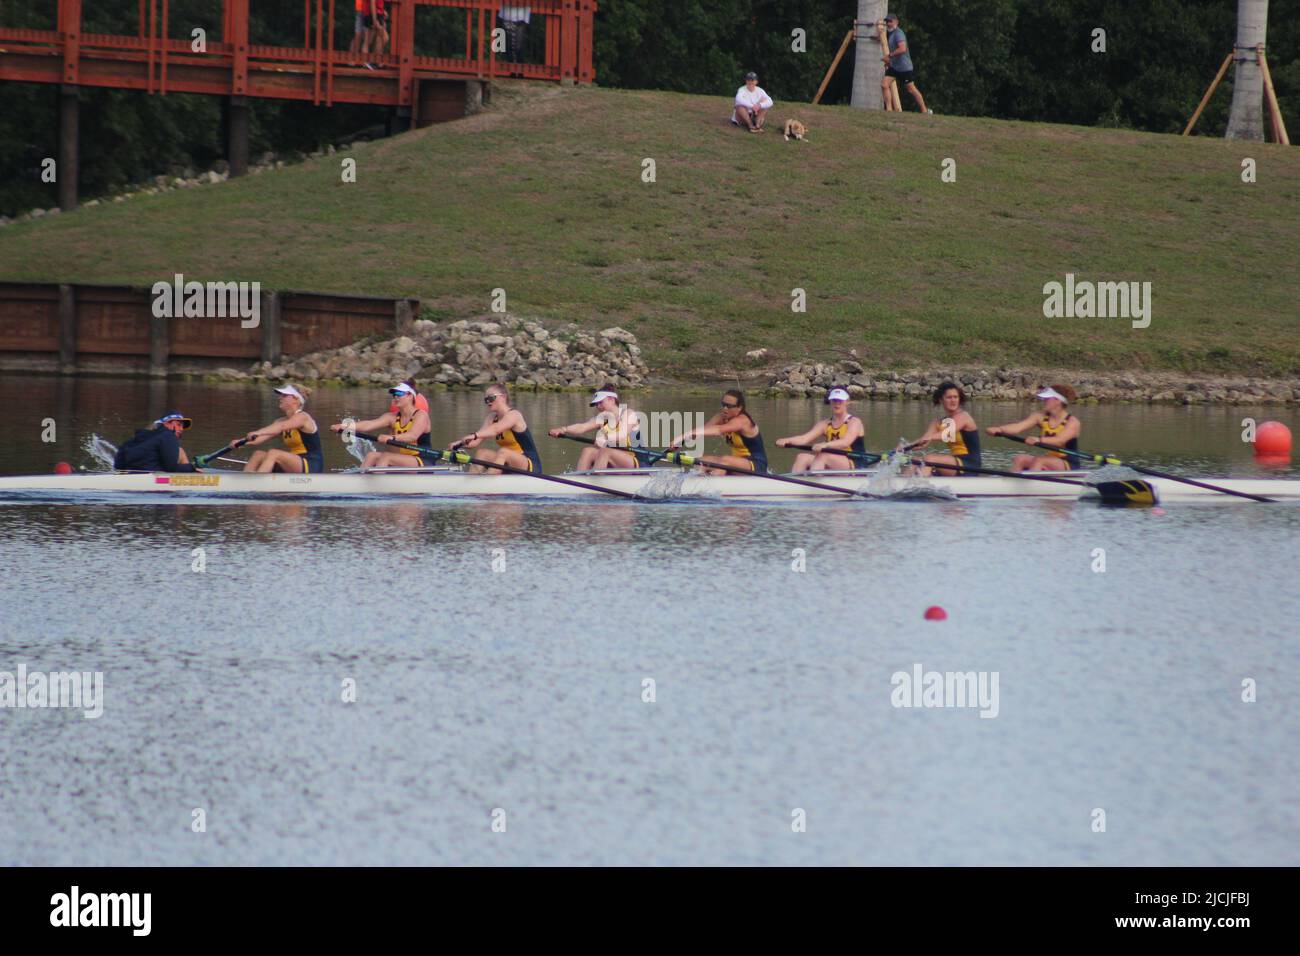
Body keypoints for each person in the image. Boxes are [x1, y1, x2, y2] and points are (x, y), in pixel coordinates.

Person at [330, 381, 435, 469]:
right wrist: (343, 426)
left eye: (399, 394)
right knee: (371, 456)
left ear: (410, 396)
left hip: (423, 459)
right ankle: (360, 481)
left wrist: (391, 437)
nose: (395, 398)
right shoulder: (391, 417)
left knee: (386, 457)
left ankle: (379, 487)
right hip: (404, 458)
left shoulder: (421, 415)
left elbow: (412, 436)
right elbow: (368, 425)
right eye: (394, 395)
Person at [669, 389, 768, 475]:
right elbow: (702, 431)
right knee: (702, 460)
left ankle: (712, 483)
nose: (724, 409)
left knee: (724, 461)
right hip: (736, 463)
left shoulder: (742, 421)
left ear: (740, 408)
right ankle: (696, 482)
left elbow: (719, 430)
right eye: (723, 404)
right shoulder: (721, 416)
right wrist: (679, 442)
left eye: (729, 406)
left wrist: (684, 435)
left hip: (756, 465)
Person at [452, 383, 543, 474]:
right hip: (508, 461)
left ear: (503, 397)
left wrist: (474, 435)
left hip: (529, 464)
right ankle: (470, 483)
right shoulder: (491, 418)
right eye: (486, 400)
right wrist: (459, 443)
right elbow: (475, 442)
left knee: (503, 452)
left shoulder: (514, 415)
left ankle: (489, 483)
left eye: (491, 398)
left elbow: (496, 429)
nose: (488, 402)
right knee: (482, 453)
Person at [987, 385, 1081, 472]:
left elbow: (1059, 441)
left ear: (1058, 401)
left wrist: (1039, 440)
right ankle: (1010, 485)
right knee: (1020, 459)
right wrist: (999, 430)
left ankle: (1030, 487)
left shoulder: (1072, 422)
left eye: (1047, 398)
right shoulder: (1040, 416)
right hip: (1050, 458)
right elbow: (1018, 427)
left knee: (1039, 460)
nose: (1044, 401)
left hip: (1069, 463)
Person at [549, 386, 646, 470]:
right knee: (588, 451)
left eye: (600, 402)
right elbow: (582, 427)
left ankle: (595, 480)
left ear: (611, 400)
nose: (598, 406)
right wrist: (563, 429)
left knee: (604, 451)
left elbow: (622, 434)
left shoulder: (629, 413)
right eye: (596, 404)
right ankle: (579, 479)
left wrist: (604, 438)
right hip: (614, 458)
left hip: (636, 460)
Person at [236, 385, 325, 474]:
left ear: (296, 399)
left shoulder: (303, 417)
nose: (280, 398)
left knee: (274, 453)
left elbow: (281, 427)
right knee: (258, 454)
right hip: (294, 463)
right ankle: (244, 482)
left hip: (311, 464)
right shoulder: (280, 421)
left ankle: (260, 482)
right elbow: (257, 440)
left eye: (284, 395)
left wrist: (258, 432)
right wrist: (240, 442)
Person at [898, 382, 981, 476]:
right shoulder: (937, 423)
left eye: (955, 397)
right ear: (941, 400)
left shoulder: (964, 417)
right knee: (915, 461)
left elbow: (947, 433)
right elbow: (923, 440)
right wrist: (904, 448)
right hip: (953, 462)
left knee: (929, 459)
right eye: (949, 398)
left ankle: (918, 488)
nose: (953, 400)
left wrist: (930, 437)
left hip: (970, 464)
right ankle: (901, 485)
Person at [775, 387, 867, 472]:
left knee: (822, 455)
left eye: (840, 400)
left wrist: (825, 445)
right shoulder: (825, 424)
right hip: (833, 460)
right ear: (830, 402)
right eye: (834, 400)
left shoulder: (854, 422)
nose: (837, 403)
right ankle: (794, 485)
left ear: (847, 402)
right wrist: (787, 440)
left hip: (855, 462)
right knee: (802, 457)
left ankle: (814, 484)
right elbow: (804, 439)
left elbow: (845, 442)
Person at [113, 411, 198, 472]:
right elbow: (171, 468)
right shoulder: (168, 435)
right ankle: (192, 475)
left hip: (129, 477)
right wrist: (192, 467)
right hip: (150, 482)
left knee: (180, 451)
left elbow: (118, 464)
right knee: (181, 452)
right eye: (178, 425)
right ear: (166, 424)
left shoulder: (136, 439)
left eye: (182, 427)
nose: (181, 429)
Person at [881, 14, 932, 114]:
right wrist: (889, 61)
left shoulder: (898, 33)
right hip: (894, 67)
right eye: (887, 22)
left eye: (890, 21)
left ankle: (925, 111)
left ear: (896, 22)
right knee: (884, 84)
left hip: (904, 68)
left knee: (911, 89)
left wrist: (889, 56)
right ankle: (889, 110)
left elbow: (902, 49)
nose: (888, 24)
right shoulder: (891, 34)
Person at [350, 0, 376, 66]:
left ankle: (354, 60)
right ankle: (357, 60)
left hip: (364, 10)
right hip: (366, 10)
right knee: (363, 37)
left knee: (360, 35)